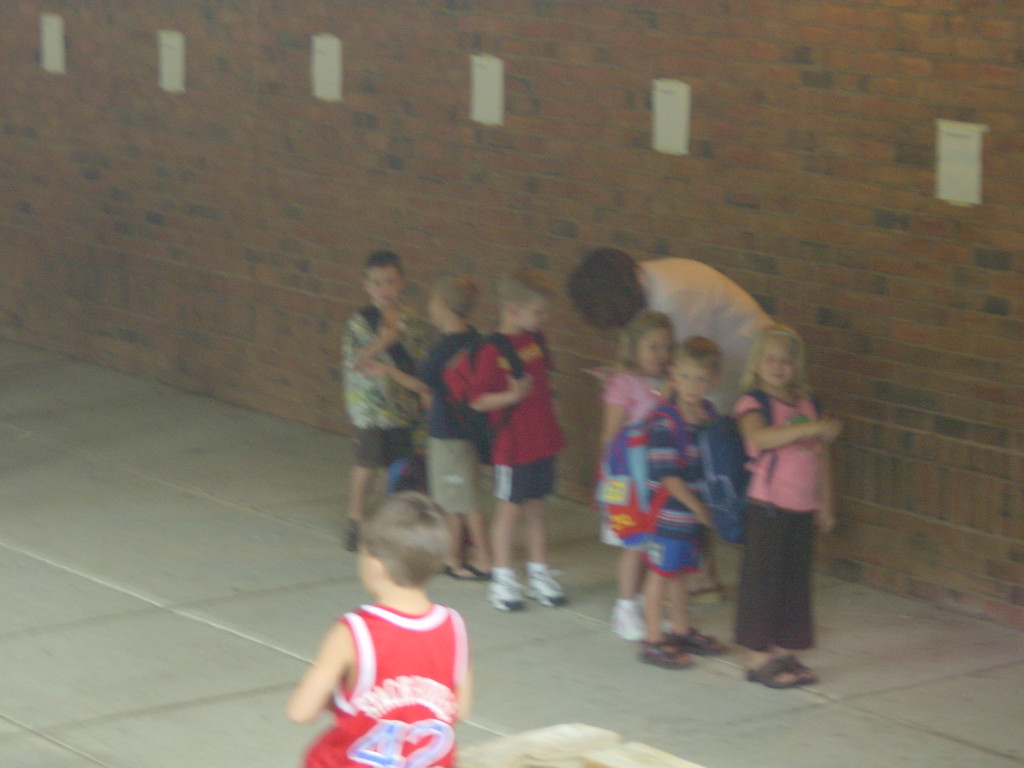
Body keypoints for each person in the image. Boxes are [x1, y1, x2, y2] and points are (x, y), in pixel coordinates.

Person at [567, 246, 771, 598]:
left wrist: (630, 386)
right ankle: (699, 569)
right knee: (689, 472)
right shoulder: (641, 289)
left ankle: (709, 571)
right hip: (710, 379)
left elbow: (679, 371)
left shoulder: (675, 300)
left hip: (743, 372)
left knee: (709, 477)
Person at [287, 492, 471, 768]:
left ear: (375, 567)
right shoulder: (454, 626)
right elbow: (461, 708)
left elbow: (301, 712)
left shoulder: (355, 632)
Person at [732, 324, 842, 688]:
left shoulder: (809, 404)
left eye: (786, 360)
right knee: (763, 582)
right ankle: (758, 655)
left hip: (801, 508)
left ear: (797, 365)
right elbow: (759, 436)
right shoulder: (754, 402)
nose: (778, 366)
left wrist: (825, 503)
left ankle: (783, 648)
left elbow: (822, 457)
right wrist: (808, 429)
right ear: (758, 363)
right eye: (770, 358)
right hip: (768, 507)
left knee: (794, 583)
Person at [566, 247, 770, 410]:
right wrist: (627, 375)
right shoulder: (634, 285)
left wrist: (634, 382)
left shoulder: (673, 300)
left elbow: (684, 369)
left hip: (744, 361)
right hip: (716, 367)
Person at [468, 267, 565, 612]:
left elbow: (546, 379)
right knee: (508, 513)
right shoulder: (492, 350)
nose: (544, 318)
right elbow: (477, 399)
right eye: (538, 312)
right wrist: (510, 397)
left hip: (541, 440)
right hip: (512, 445)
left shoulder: (536, 340)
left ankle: (538, 574)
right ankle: (503, 578)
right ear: (512, 309)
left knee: (537, 510)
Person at [636, 337, 728, 668]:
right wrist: (698, 507)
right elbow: (668, 476)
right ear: (673, 375)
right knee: (660, 574)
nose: (693, 386)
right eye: (686, 377)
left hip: (690, 517)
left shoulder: (707, 415)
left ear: (714, 379)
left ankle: (680, 629)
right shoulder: (666, 420)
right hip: (669, 514)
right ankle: (652, 639)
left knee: (681, 574)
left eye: (701, 379)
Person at [341, 250, 431, 551]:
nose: (384, 289)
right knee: (367, 460)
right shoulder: (359, 323)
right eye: (377, 283)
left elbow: (419, 359)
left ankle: (387, 519)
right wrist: (384, 341)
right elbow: (356, 361)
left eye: (390, 282)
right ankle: (355, 517)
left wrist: (422, 392)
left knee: (397, 464)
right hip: (370, 406)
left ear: (401, 283)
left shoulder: (412, 321)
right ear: (366, 285)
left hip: (401, 405)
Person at [598, 310, 674, 641]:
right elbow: (611, 436)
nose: (661, 355)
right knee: (634, 544)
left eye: (667, 347)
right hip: (628, 480)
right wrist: (611, 484)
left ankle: (645, 602)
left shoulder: (668, 381)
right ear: (634, 347)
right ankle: (625, 608)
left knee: (654, 543)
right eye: (653, 347)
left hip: (658, 479)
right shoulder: (624, 383)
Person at [418, 274, 492, 581]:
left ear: (444, 305)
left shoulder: (441, 350)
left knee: (462, 501)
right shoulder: (476, 340)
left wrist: (387, 371)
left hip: (448, 434)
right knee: (455, 498)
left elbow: (421, 384)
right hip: (471, 429)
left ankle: (483, 558)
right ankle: (453, 556)